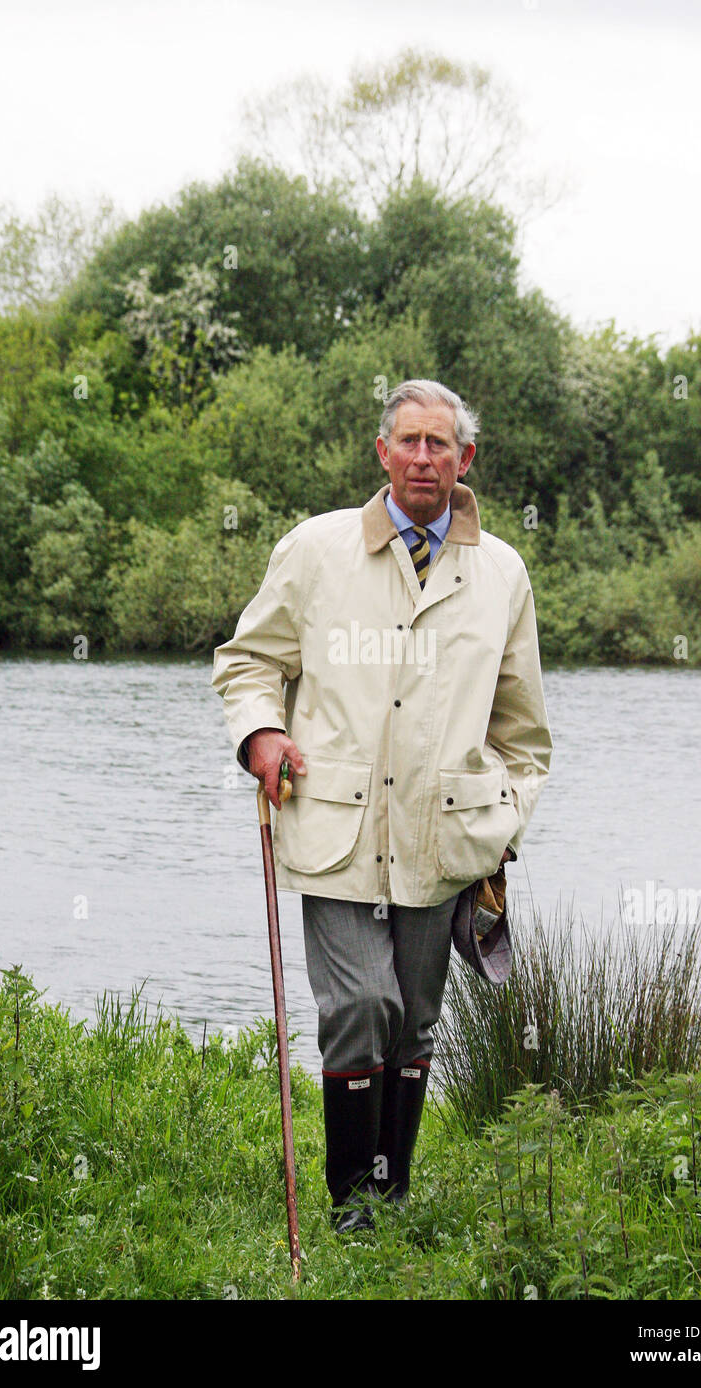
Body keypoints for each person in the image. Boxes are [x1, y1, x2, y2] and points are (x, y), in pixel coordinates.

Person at [211, 379, 552, 1233]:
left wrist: (502, 815)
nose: (424, 458)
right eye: (409, 442)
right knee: (364, 1005)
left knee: (416, 1020)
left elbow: (524, 730)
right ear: (383, 453)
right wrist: (261, 737)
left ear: (465, 459)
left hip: (445, 835)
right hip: (334, 825)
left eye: (441, 445)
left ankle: (390, 1197)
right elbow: (248, 661)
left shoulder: (502, 571)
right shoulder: (315, 550)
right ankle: (349, 1206)